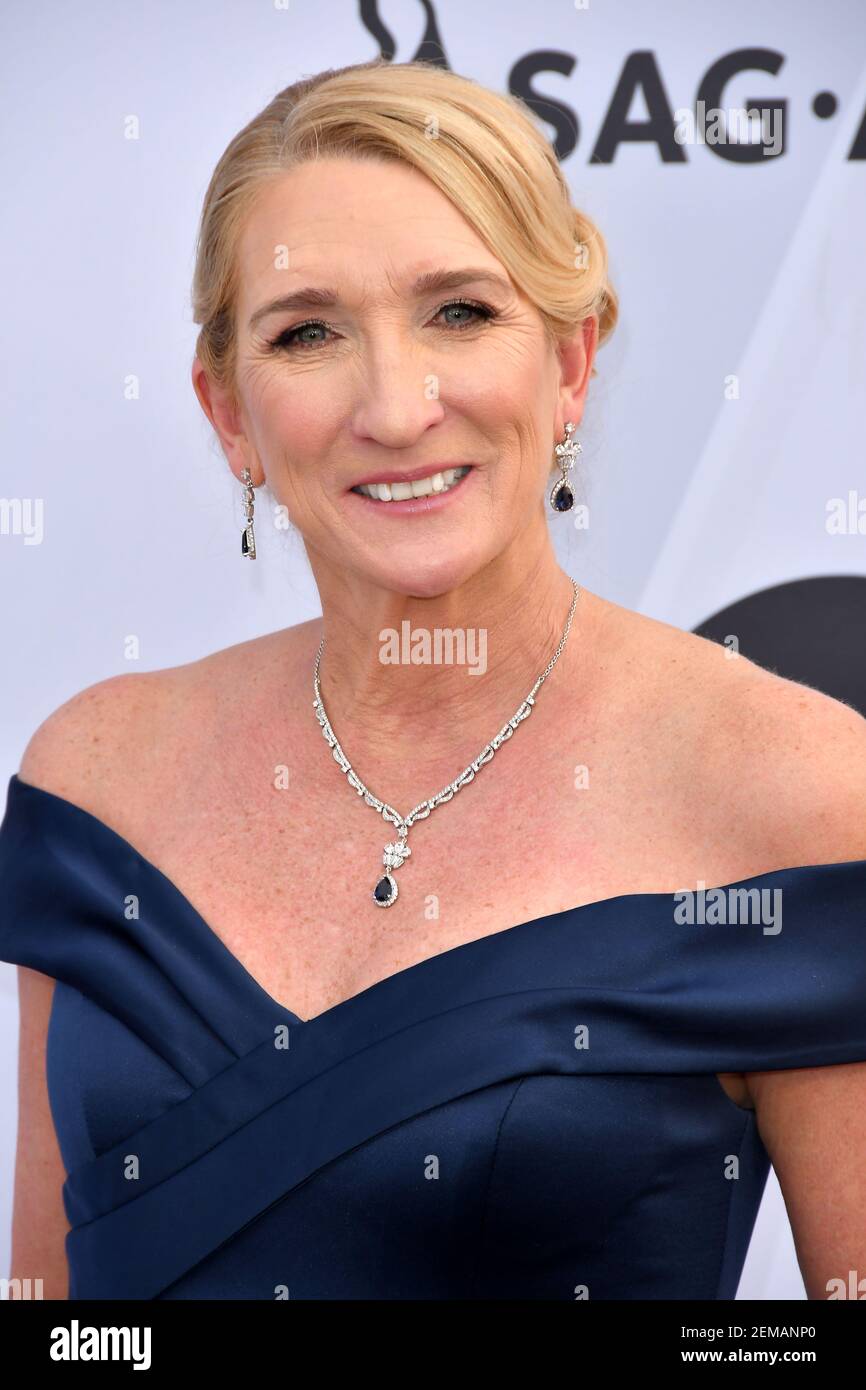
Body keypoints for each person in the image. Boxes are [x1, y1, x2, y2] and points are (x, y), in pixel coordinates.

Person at [2, 57, 865, 1302]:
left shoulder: (794, 793)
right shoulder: (95, 781)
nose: (396, 408)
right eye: (307, 332)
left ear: (568, 364)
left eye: (459, 312)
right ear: (229, 413)